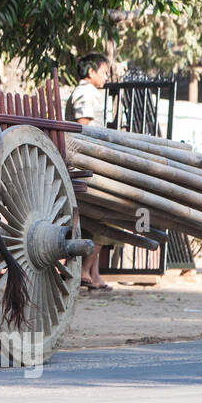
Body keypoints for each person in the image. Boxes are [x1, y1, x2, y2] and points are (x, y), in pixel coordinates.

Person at [66, 52, 112, 289]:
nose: (106, 77)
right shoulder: (85, 92)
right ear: (91, 72)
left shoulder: (93, 92)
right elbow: (83, 124)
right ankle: (86, 270)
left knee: (99, 218)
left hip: (92, 158)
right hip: (88, 160)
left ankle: (93, 273)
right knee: (103, 213)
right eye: (104, 72)